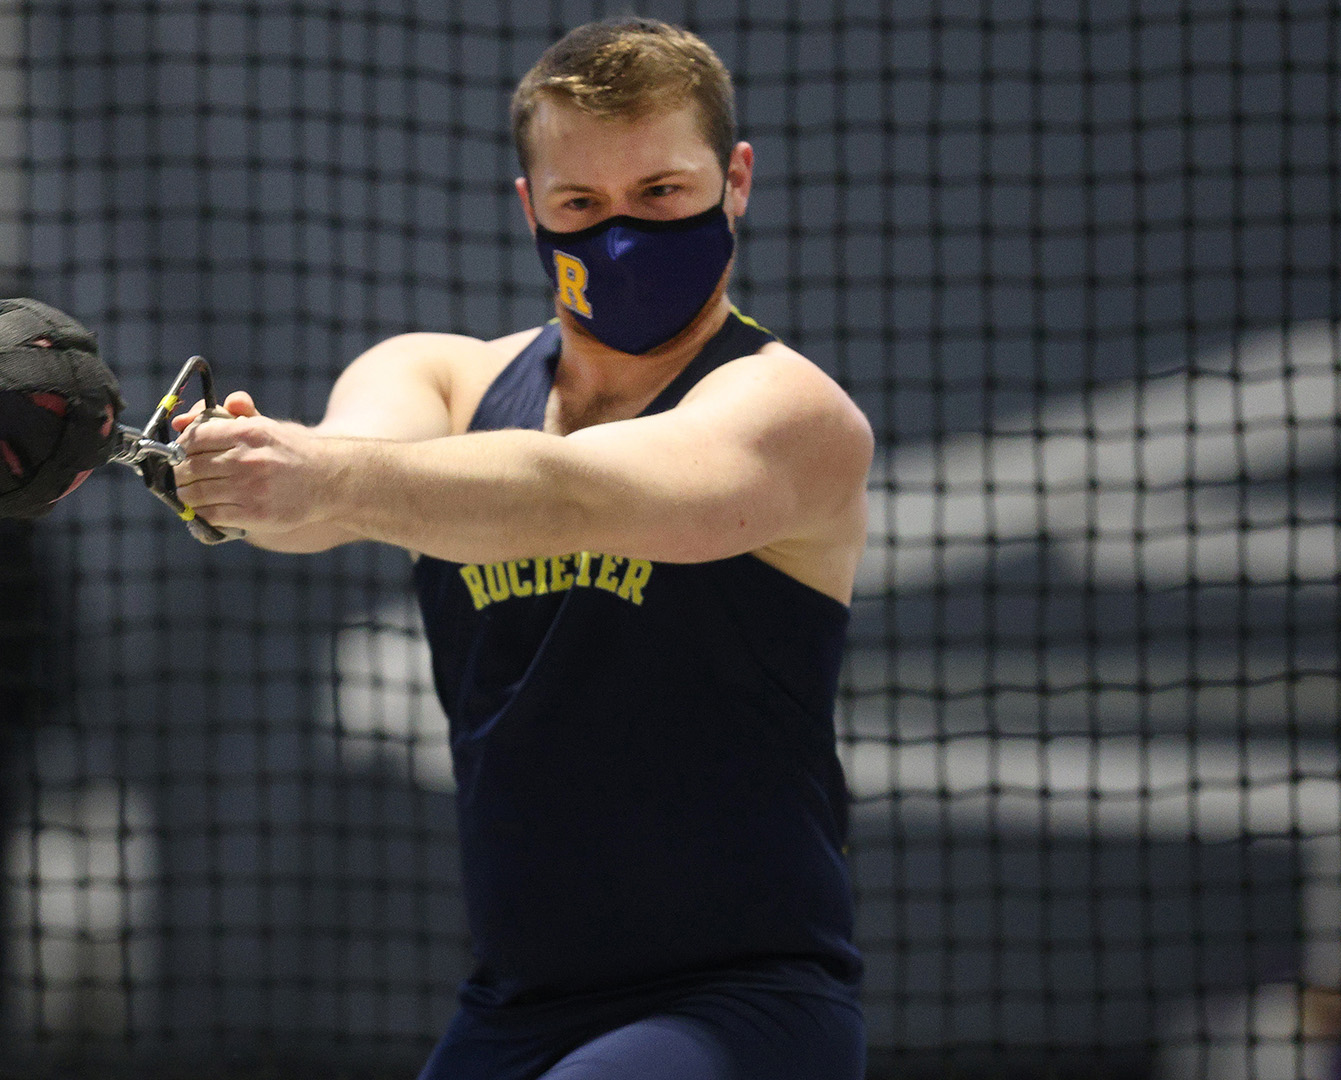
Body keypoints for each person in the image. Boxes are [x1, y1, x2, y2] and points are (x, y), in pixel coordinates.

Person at [166, 17, 871, 1080]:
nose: (621, 235)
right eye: (581, 205)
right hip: (514, 1006)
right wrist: (227, 472)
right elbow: (315, 510)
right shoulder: (443, 379)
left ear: (736, 180)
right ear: (529, 206)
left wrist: (316, 470)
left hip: (741, 1004)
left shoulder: (790, 412)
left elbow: (580, 494)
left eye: (661, 194)